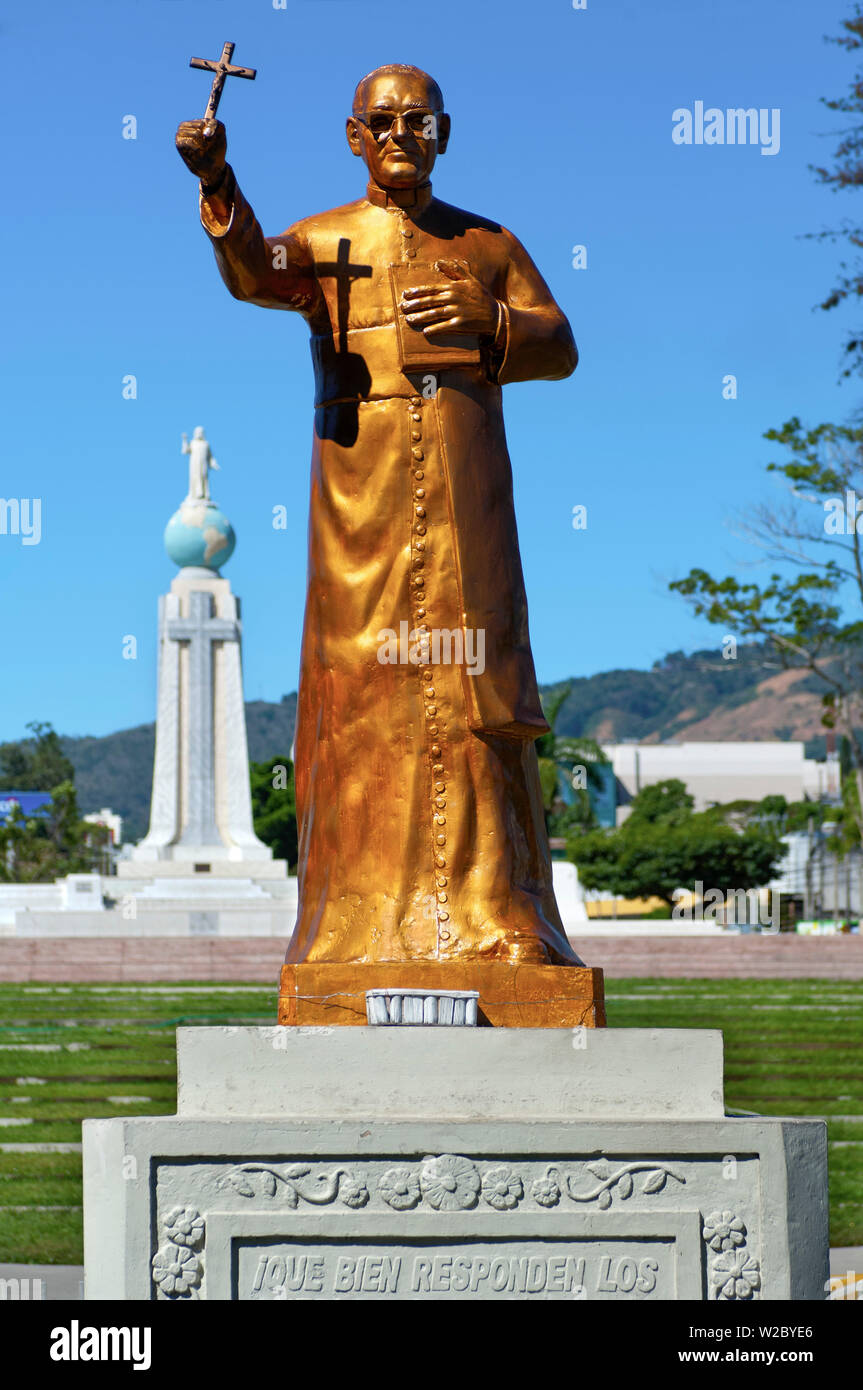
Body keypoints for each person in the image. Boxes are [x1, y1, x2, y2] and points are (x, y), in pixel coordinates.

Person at [176, 63, 582, 966]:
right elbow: (253, 272)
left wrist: (495, 319)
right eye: (381, 122)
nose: (400, 135)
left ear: (444, 132)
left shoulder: (487, 240)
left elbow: (560, 346)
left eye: (418, 121)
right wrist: (216, 182)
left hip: (466, 494)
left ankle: (493, 912)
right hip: (360, 492)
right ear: (354, 137)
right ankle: (355, 931)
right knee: (361, 689)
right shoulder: (325, 240)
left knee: (476, 688)